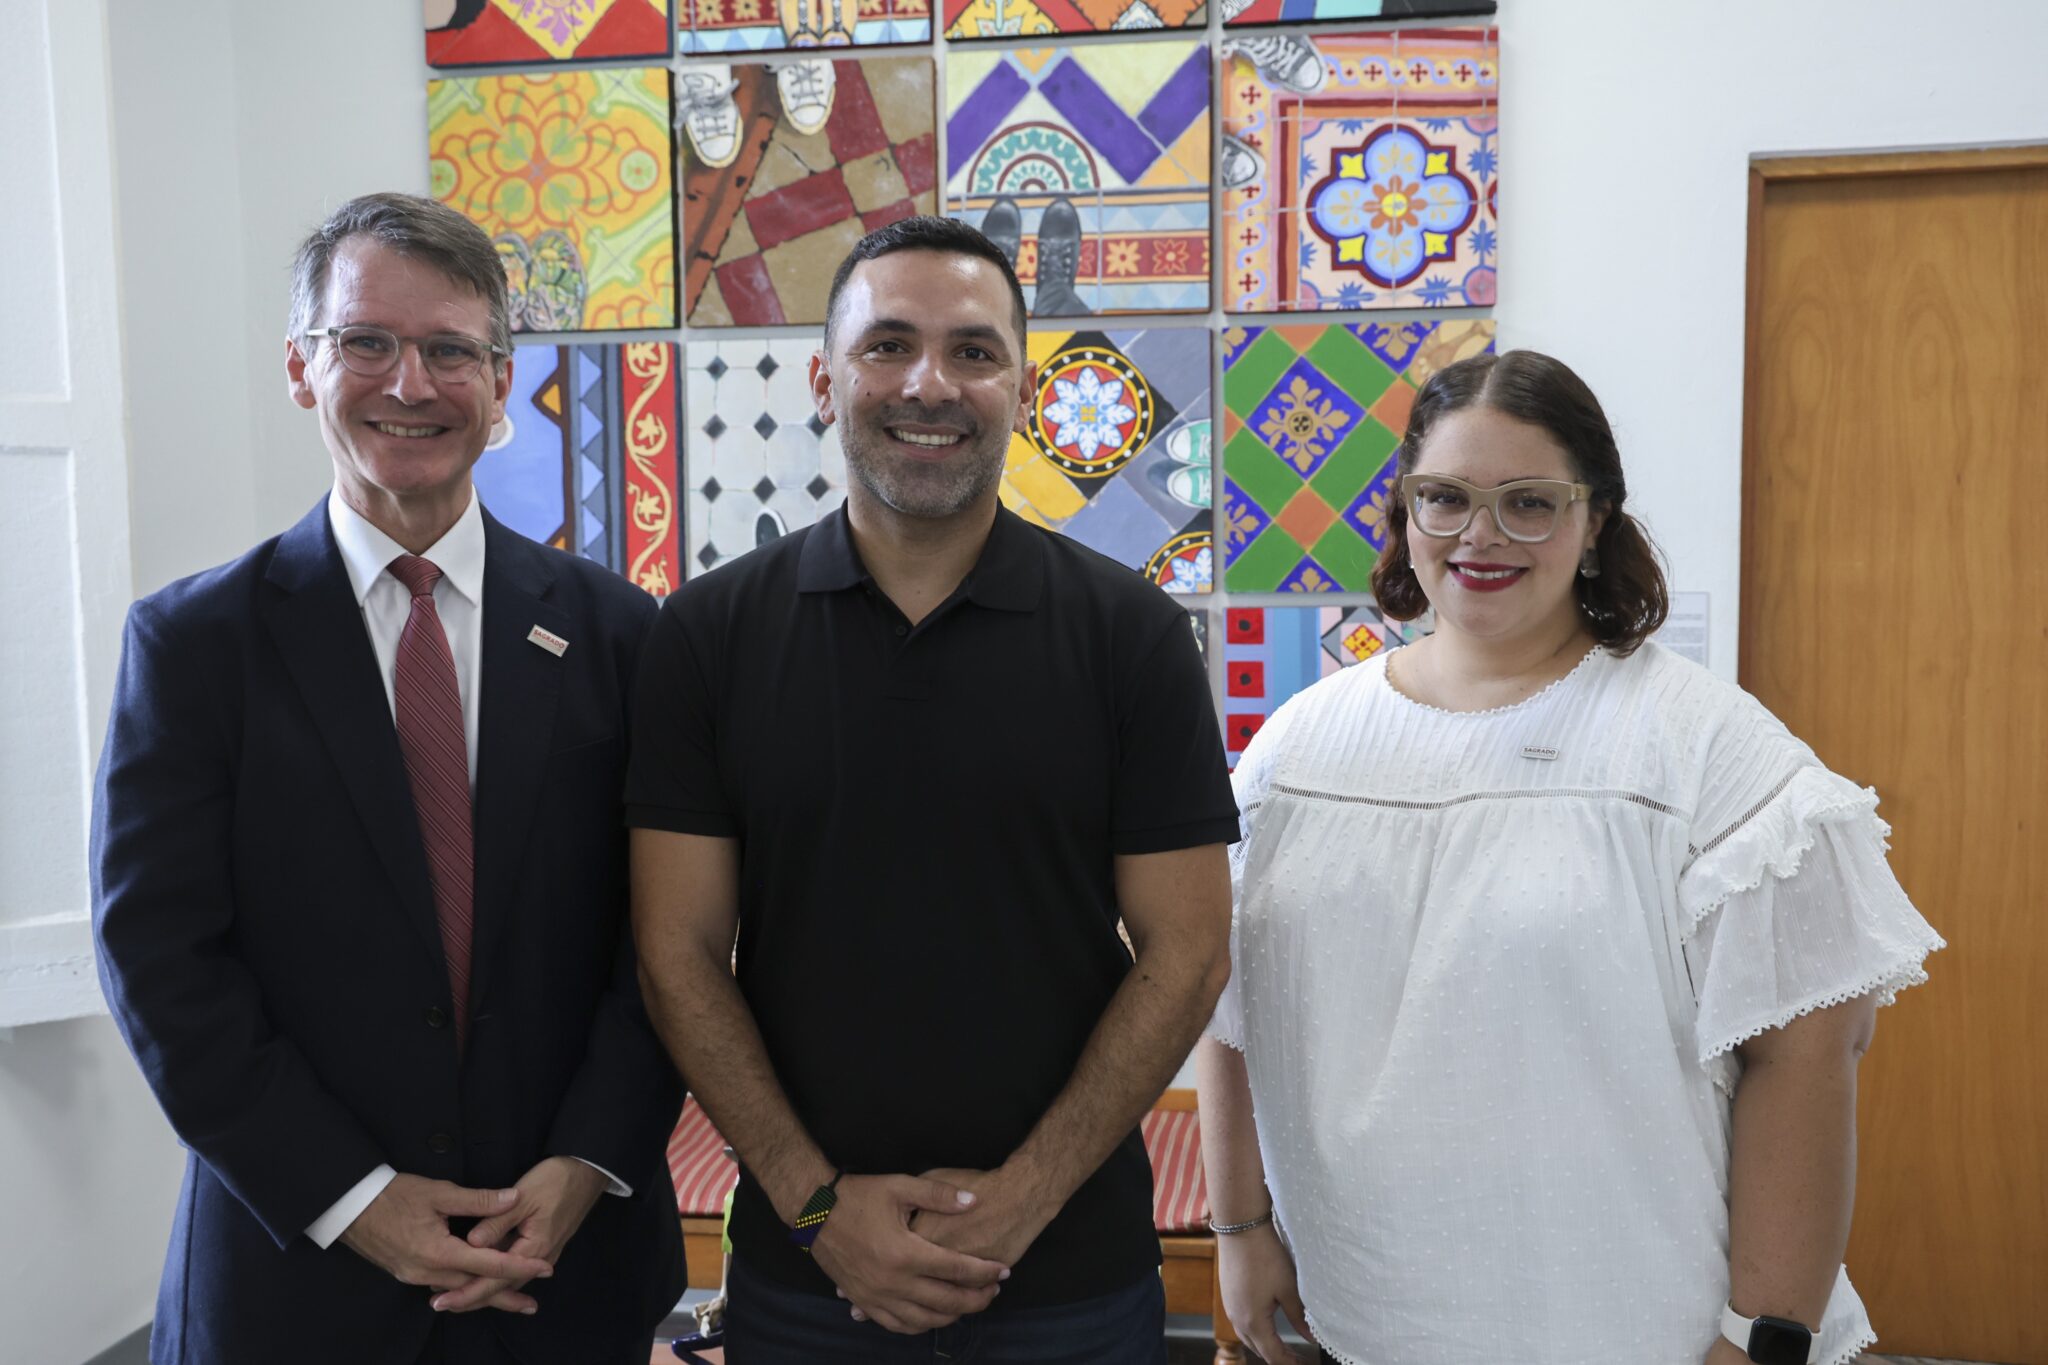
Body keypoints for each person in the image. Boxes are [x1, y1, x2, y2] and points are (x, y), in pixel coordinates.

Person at [1196, 350, 1944, 1365]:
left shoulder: (1698, 745)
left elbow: (1805, 1058)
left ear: (1595, 523)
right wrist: (1238, 1232)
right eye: (1445, 499)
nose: (1480, 536)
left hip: (1646, 1325)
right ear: (1403, 514)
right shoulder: (1296, 751)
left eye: (1529, 503)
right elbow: (1226, 1009)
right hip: (1367, 1318)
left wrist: (1760, 1337)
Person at [627, 215, 1237, 1364]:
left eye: (971, 351)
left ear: (1020, 383)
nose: (929, 383)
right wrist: (816, 1209)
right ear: (825, 377)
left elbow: (1189, 951)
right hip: (806, 1281)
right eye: (887, 345)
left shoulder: (1131, 637)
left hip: (1068, 1279)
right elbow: (676, 953)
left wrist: (1018, 1203)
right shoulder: (706, 636)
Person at [91, 192, 685, 1365]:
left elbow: (669, 941)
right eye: (365, 341)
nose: (408, 383)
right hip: (292, 1280)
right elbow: (161, 958)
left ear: (502, 380)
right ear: (303, 370)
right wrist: (353, 1197)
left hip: (560, 1267)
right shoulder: (196, 644)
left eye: (450, 349)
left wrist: (585, 1162)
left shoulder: (623, 637)